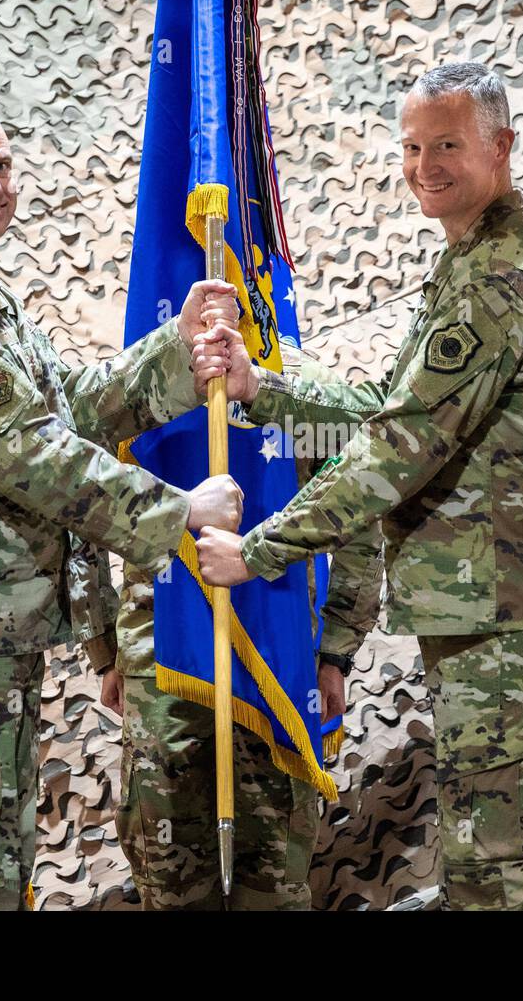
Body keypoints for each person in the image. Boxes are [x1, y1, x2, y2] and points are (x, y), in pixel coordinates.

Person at [191, 63, 523, 910]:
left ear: (501, 148)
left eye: (447, 145)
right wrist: (261, 389)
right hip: (488, 609)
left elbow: (398, 448)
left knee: (511, 881)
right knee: (483, 867)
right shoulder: (470, 265)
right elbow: (392, 408)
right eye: (412, 146)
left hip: (510, 613)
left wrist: (260, 552)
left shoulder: (500, 283)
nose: (425, 166)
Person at [0, 96, 240, 911]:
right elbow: (32, 456)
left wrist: (178, 349)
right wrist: (179, 513)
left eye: (2, 166)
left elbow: (69, 410)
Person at [108, 342, 384, 910]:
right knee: (171, 887)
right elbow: (79, 502)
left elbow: (360, 510)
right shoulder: (142, 377)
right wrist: (98, 645)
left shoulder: (298, 386)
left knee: (275, 888)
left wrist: (335, 651)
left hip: (278, 667)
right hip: (160, 673)